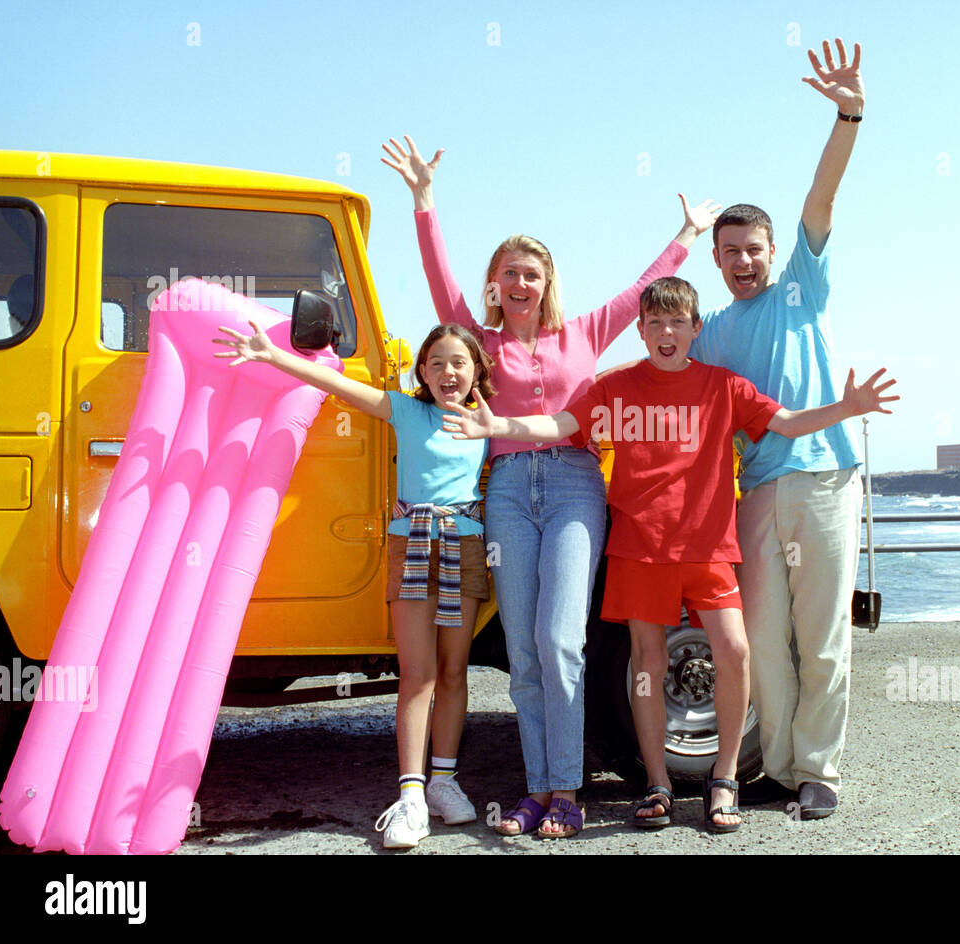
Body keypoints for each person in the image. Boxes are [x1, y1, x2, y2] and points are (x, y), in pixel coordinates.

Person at [441, 276, 896, 832]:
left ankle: (724, 778)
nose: (665, 332)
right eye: (654, 322)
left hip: (707, 549)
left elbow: (787, 424)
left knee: (734, 651)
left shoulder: (724, 386)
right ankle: (656, 783)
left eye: (677, 322)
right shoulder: (616, 387)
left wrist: (845, 407)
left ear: (694, 328)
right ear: (640, 330)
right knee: (646, 668)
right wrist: (500, 425)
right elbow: (562, 425)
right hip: (640, 548)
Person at [382, 135, 719, 838]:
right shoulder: (478, 340)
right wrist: (423, 201)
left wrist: (686, 236)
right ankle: (538, 791)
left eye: (531, 273)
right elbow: (439, 279)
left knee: (563, 640)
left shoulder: (585, 333)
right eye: (509, 273)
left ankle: (569, 790)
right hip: (504, 488)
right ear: (495, 284)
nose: (520, 283)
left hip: (572, 487)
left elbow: (638, 294)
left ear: (547, 282)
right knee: (526, 649)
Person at [214, 320, 495, 849]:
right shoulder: (407, 411)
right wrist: (271, 355)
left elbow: (548, 419)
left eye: (459, 362)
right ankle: (411, 794)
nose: (448, 372)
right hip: (410, 541)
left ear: (477, 368)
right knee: (418, 674)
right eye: (436, 363)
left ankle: (444, 781)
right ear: (423, 373)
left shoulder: (488, 421)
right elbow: (338, 386)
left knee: (456, 671)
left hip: (468, 542)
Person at [687, 38, 877, 819]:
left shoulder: (802, 285)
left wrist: (848, 113)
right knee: (765, 641)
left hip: (826, 477)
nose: (742, 261)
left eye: (753, 250)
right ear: (716, 259)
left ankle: (818, 770)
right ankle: (780, 763)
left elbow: (821, 198)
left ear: (773, 253)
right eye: (728, 252)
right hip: (756, 490)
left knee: (824, 634)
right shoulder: (707, 337)